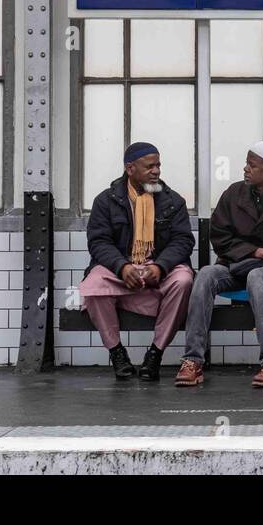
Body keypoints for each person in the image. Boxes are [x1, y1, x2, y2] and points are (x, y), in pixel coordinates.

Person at [175, 140, 263, 389]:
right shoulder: (233, 194)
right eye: (246, 163)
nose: (245, 169)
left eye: (252, 164)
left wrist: (251, 259)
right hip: (236, 264)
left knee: (258, 277)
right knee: (206, 274)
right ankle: (193, 360)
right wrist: (257, 251)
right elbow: (220, 238)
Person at [82, 141, 195, 381]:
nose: (156, 171)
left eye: (158, 166)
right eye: (150, 166)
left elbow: (183, 241)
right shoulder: (106, 201)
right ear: (130, 168)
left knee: (184, 280)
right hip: (122, 270)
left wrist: (160, 266)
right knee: (93, 285)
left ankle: (155, 353)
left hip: (158, 270)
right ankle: (117, 352)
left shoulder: (173, 201)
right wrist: (122, 267)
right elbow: (99, 242)